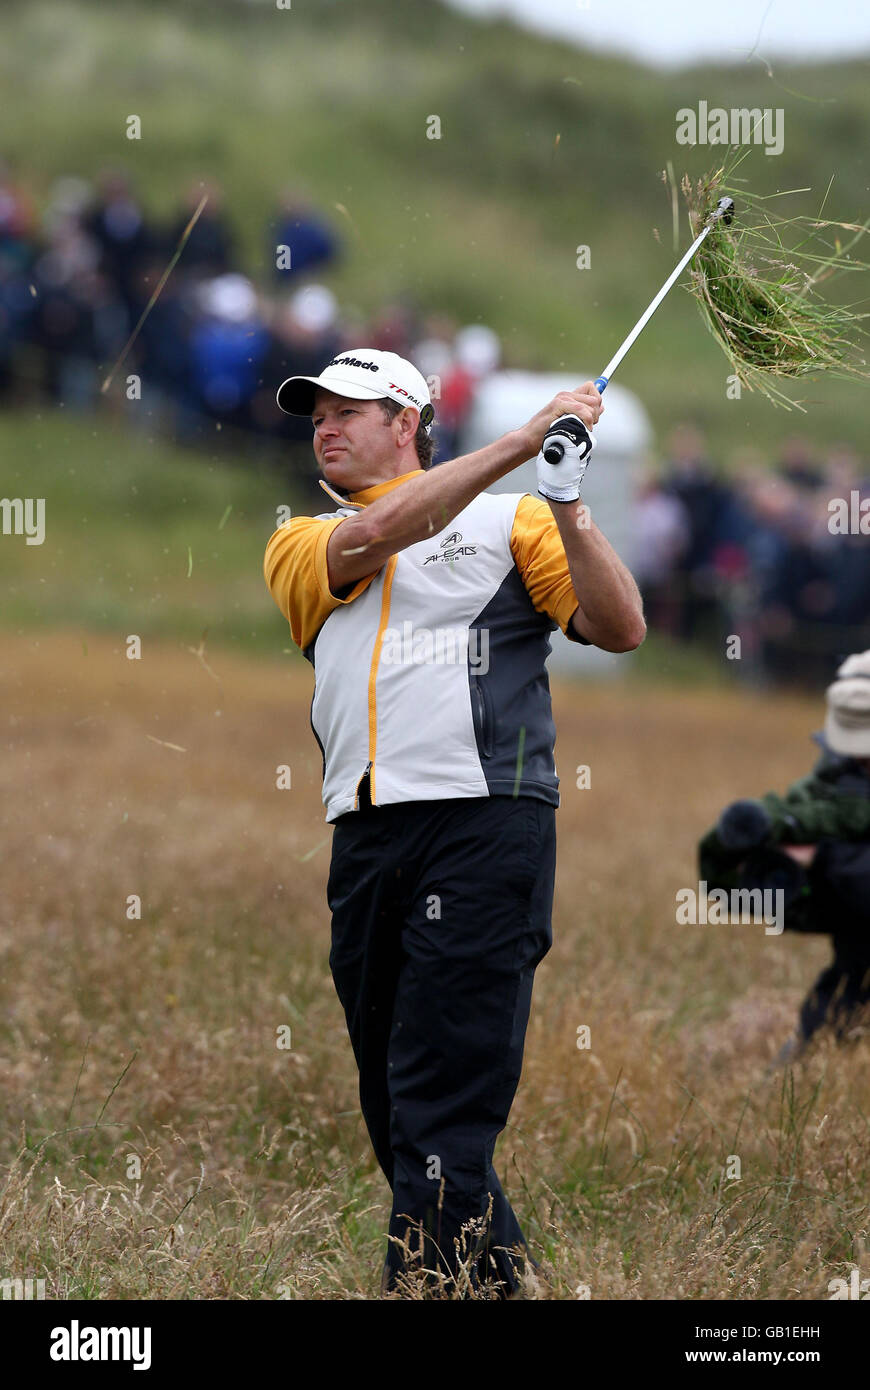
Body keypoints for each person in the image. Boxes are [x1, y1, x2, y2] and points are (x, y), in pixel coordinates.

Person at [262, 348, 645, 1298]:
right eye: (317, 412)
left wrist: (565, 498)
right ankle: (502, 1287)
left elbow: (621, 624)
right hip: (366, 838)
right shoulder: (303, 539)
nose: (325, 425)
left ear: (408, 422)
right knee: (398, 1111)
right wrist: (520, 441)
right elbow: (378, 537)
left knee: (440, 1107)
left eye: (349, 409)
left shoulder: (514, 519)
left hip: (488, 826)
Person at [699, 650, 870, 1063]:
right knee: (806, 1067)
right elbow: (728, 886)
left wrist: (823, 858)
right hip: (858, 972)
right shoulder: (835, 782)